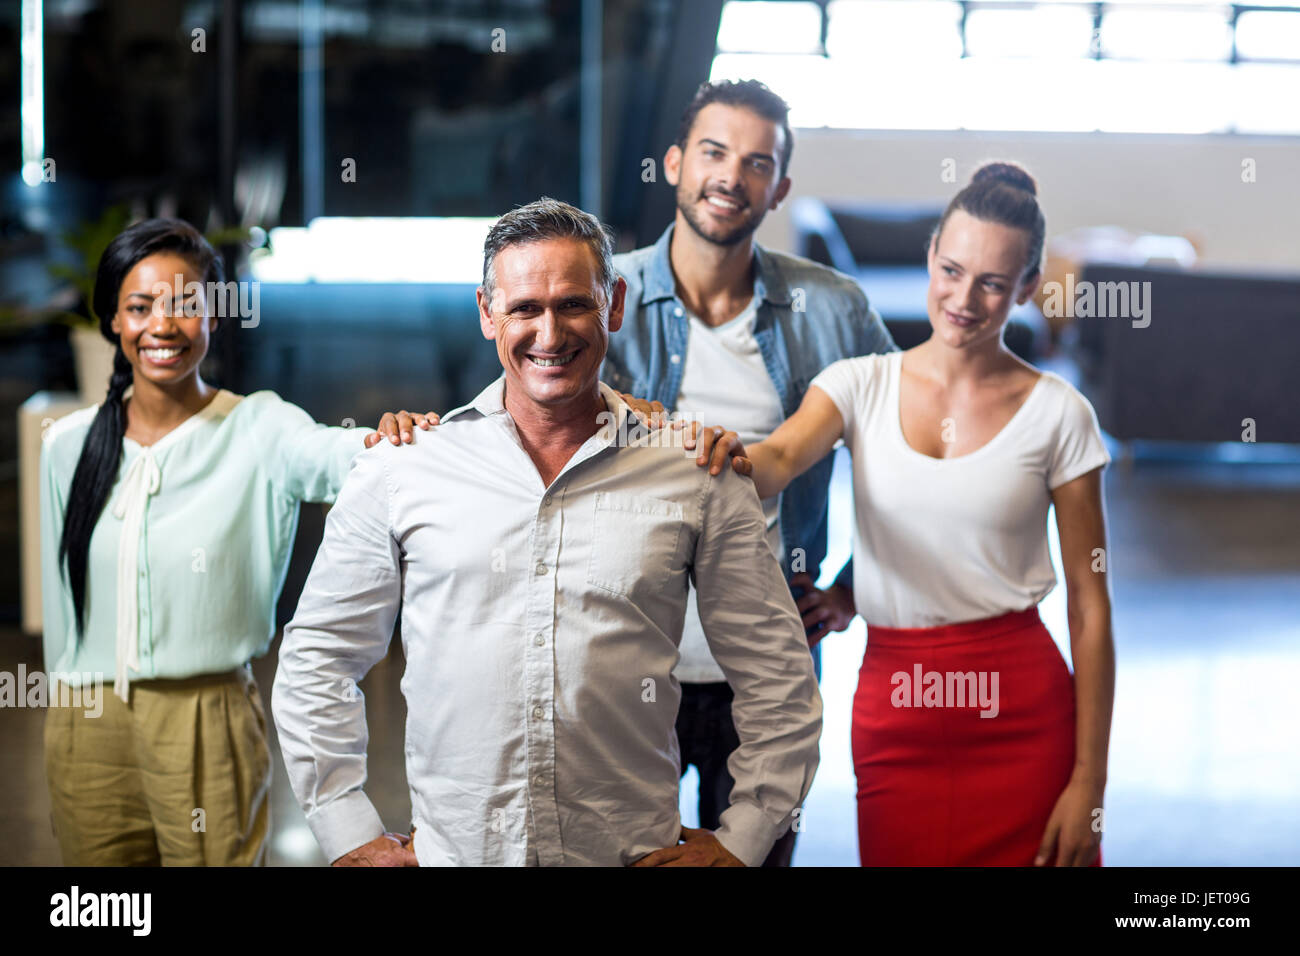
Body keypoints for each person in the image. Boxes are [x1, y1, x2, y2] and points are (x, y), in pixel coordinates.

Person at [369, 79, 895, 866]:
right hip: (614, 670)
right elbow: (526, 418)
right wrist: (421, 435)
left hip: (760, 659)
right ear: (676, 164)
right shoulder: (588, 293)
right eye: (714, 152)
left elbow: (902, 444)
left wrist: (856, 583)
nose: (731, 176)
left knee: (751, 854)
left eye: (758, 163)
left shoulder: (833, 307)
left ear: (780, 185)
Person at [272, 198, 822, 867]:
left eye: (573, 304)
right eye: (524, 307)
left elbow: (779, 676)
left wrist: (746, 836)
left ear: (614, 304)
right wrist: (347, 828)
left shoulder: (694, 470)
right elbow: (319, 656)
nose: (549, 332)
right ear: (486, 313)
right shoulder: (405, 466)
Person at [695, 162, 1115, 866]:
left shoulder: (1060, 415)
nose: (964, 298)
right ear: (930, 257)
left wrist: (1089, 785)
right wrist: (711, 449)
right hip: (898, 711)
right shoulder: (858, 385)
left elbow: (1091, 610)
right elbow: (775, 461)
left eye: (991, 281)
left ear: (1027, 288)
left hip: (1024, 711)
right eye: (951, 270)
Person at [39, 218, 372, 865]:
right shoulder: (68, 445)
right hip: (84, 727)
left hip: (202, 719)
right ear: (112, 320)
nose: (162, 326)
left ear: (214, 318)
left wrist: (400, 435)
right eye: (139, 307)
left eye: (185, 305)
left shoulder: (258, 426)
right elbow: (60, 608)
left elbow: (344, 455)